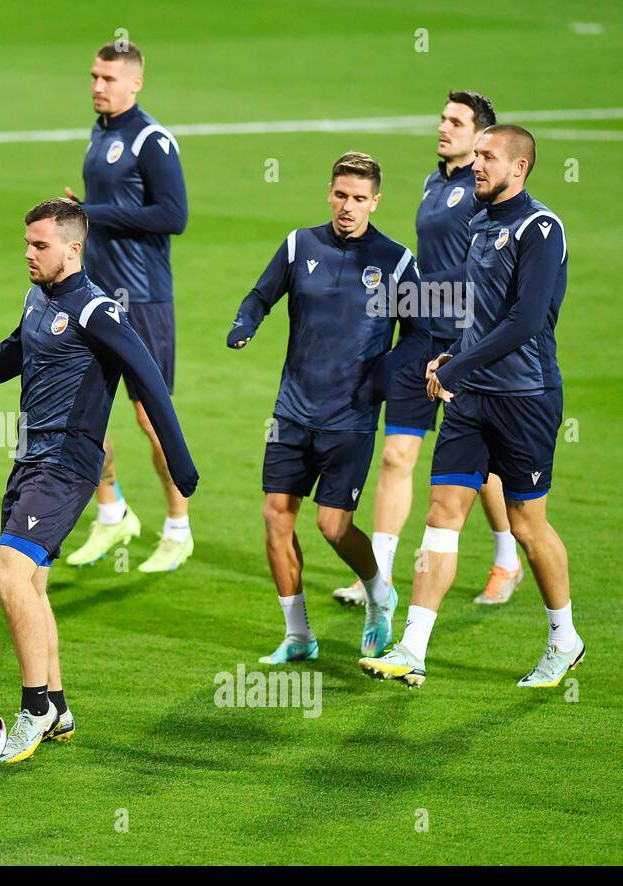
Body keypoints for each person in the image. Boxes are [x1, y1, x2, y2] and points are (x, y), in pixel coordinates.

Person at [0, 198, 197, 763]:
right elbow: (12, 352)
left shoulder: (97, 311)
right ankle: (60, 707)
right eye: (27, 243)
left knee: (6, 573)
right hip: (28, 461)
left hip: (67, 465)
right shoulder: (38, 297)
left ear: (73, 248)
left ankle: (34, 708)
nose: (29, 254)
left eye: (40, 245)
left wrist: (181, 464)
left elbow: (148, 381)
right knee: (33, 585)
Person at [362, 125, 583, 688]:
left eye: (487, 157)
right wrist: (448, 355)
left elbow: (526, 320)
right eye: (476, 155)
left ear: (520, 167)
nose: (476, 165)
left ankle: (564, 638)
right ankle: (412, 647)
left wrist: (456, 365)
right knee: (442, 512)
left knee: (527, 523)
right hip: (472, 395)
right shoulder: (481, 224)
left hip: (525, 396)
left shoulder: (541, 228)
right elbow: (476, 309)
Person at [333, 91, 524, 608]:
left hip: (468, 340)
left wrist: (409, 287)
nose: (443, 127)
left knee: (481, 466)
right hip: (421, 336)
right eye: (443, 118)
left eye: (456, 121)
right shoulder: (433, 182)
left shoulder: (485, 195)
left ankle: (507, 559)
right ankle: (379, 576)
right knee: (396, 455)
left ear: (481, 136)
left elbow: (479, 270)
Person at [229, 153, 421, 666]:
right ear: (329, 193)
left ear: (375, 201)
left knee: (334, 526)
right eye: (340, 195)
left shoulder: (396, 261)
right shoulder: (300, 244)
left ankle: (380, 593)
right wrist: (245, 323)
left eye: (359, 199)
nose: (348, 207)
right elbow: (259, 295)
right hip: (292, 410)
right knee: (276, 516)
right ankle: (298, 636)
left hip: (350, 417)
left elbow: (421, 335)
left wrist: (386, 374)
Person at [62, 41, 192, 572]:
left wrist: (88, 213)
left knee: (150, 417)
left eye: (109, 78)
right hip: (94, 297)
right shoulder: (101, 133)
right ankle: (112, 513)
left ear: (135, 83)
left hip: (142, 299)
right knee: (74, 407)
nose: (98, 86)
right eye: (94, 76)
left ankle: (178, 528)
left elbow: (173, 215)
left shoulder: (151, 140)